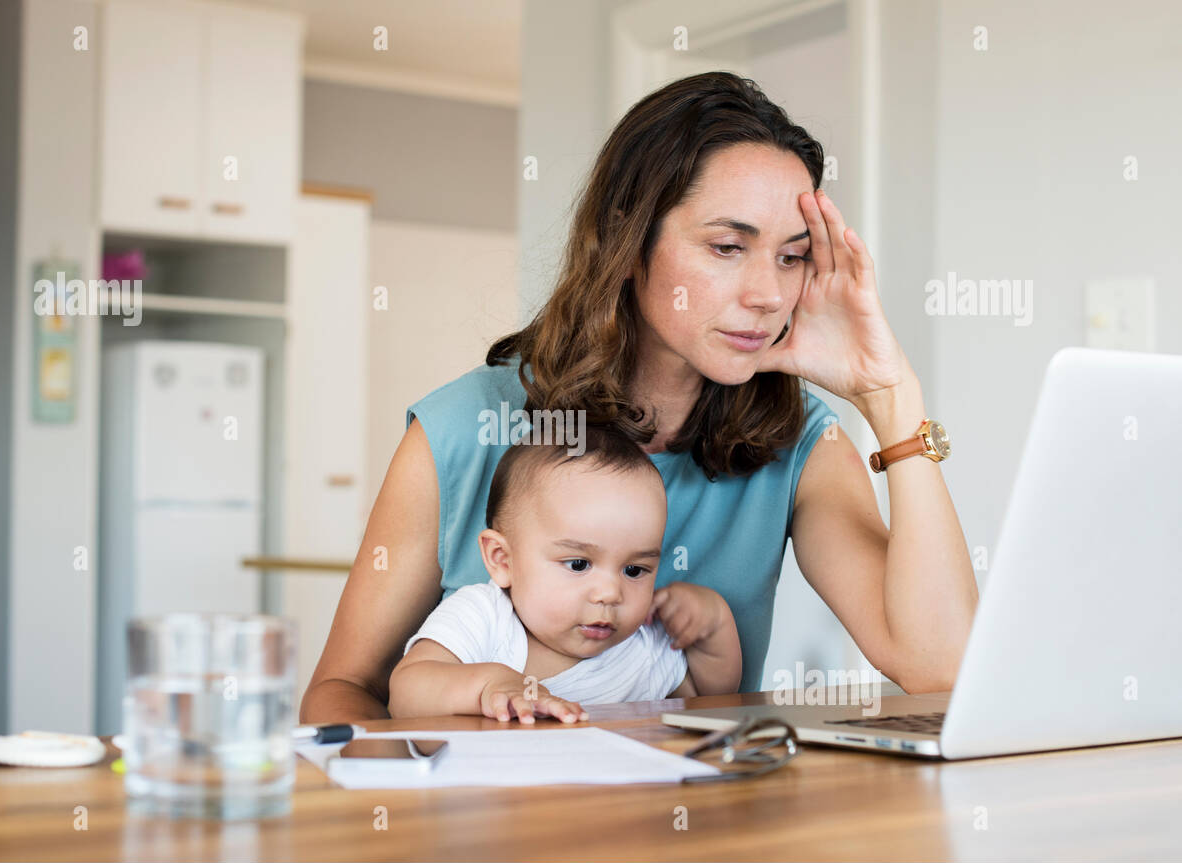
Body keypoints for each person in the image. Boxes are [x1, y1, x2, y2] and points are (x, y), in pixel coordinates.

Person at [300, 71, 978, 724]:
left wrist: (891, 395)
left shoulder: (800, 441)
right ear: (627, 243)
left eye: (792, 256)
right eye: (726, 247)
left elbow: (941, 670)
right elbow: (341, 690)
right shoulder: (461, 428)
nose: (768, 295)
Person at [387, 424, 743, 724]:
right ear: (502, 559)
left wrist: (715, 622)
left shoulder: (642, 648)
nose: (609, 593)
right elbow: (406, 692)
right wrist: (488, 685)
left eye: (634, 570)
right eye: (578, 564)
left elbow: (711, 700)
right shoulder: (485, 617)